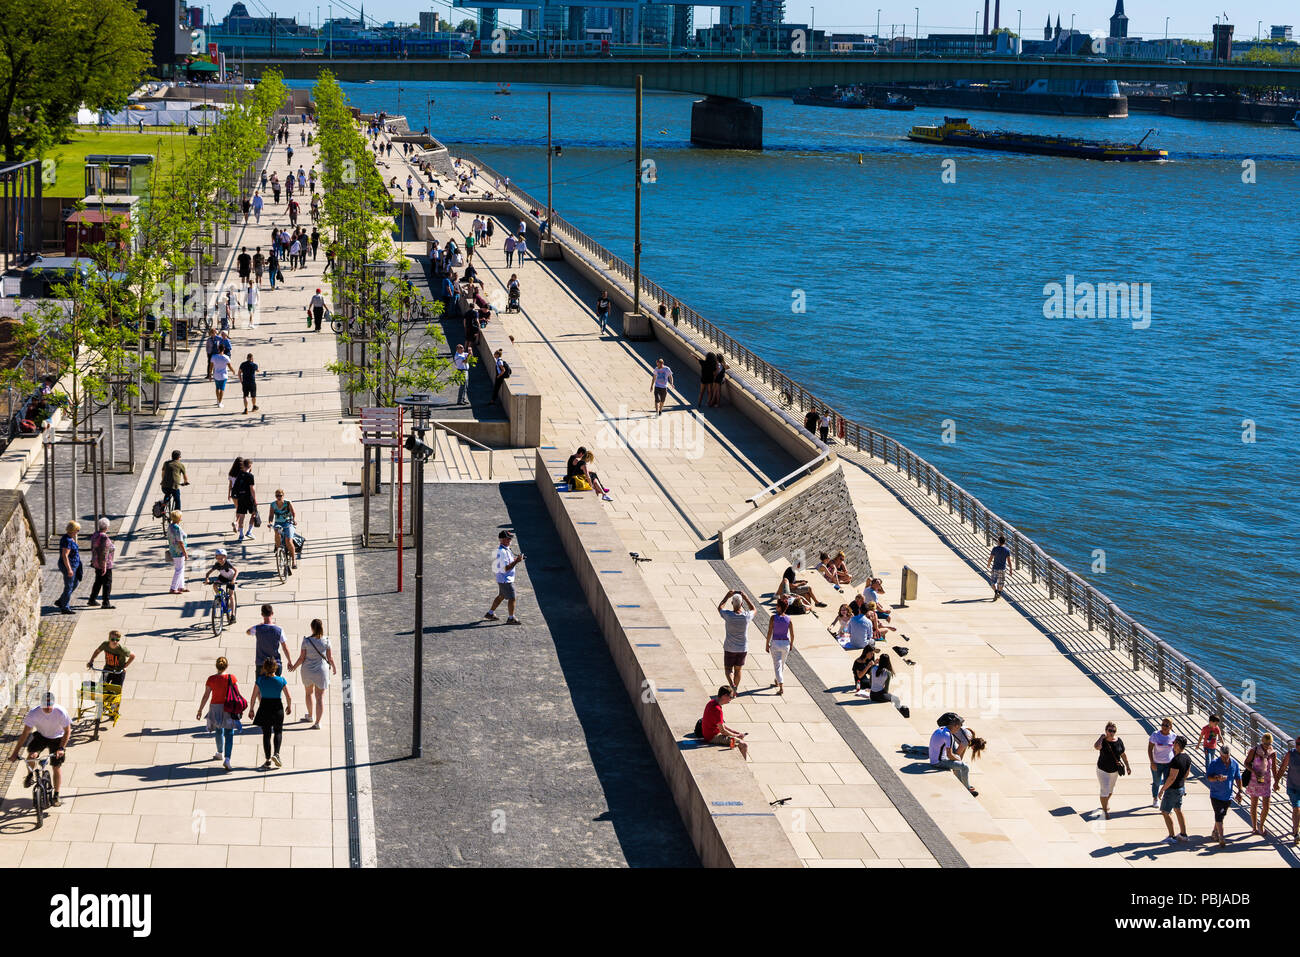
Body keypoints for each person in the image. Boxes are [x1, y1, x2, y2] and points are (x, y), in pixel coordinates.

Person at [7, 692, 72, 807]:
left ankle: (56, 794)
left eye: (49, 705)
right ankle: (30, 775)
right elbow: (25, 734)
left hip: (58, 738)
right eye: (45, 705)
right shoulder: (34, 713)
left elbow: (67, 731)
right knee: (31, 756)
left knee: (56, 767)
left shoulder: (61, 712)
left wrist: (62, 748)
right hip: (42, 736)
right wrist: (15, 753)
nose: (47, 708)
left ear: (53, 703)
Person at [289, 618, 336, 729]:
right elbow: (330, 658)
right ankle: (318, 723)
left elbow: (301, 658)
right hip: (321, 672)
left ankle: (310, 716)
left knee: (308, 693)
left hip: (307, 671)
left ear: (312, 628)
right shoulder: (327, 641)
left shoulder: (306, 641)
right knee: (319, 698)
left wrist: (294, 667)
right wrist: (334, 667)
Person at [248, 659, 292, 770]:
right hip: (277, 707)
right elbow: (289, 696)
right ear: (275, 668)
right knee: (278, 731)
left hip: (264, 707)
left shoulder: (260, 680)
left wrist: (251, 709)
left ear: (264, 668)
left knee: (266, 734)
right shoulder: (281, 680)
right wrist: (289, 706)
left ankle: (267, 760)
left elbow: (253, 696)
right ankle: (276, 754)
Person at [716, 590, 756, 694]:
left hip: (730, 647)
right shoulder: (746, 616)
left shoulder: (728, 615)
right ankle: (735, 689)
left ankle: (731, 684)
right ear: (741, 604)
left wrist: (727, 595)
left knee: (728, 669)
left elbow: (720, 608)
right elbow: (754, 609)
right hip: (742, 648)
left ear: (732, 603)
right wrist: (746, 597)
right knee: (738, 670)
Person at [1156, 735, 1193, 844]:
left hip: (1172, 790)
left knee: (1165, 812)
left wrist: (1162, 789)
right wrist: (1182, 782)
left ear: (1177, 745)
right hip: (1181, 788)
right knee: (1178, 810)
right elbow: (1187, 773)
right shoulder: (1187, 757)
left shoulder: (1176, 760)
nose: (1173, 745)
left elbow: (1172, 777)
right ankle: (1183, 834)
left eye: (1174, 743)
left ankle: (1171, 836)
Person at [1205, 744, 1243, 847]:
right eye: (1223, 756)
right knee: (1219, 814)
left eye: (1227, 756)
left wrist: (1240, 791)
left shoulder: (1234, 764)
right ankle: (1221, 837)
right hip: (1216, 795)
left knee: (1221, 815)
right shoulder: (1214, 763)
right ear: (1220, 754)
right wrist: (1217, 778)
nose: (1225, 759)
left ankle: (1215, 831)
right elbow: (1208, 777)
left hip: (1228, 796)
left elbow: (1238, 778)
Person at [930, 714, 978, 796]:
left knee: (958, 762)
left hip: (934, 757)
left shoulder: (940, 729)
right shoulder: (949, 736)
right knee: (964, 766)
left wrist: (957, 758)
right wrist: (958, 759)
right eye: (959, 728)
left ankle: (961, 784)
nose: (958, 730)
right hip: (939, 762)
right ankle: (966, 790)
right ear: (955, 726)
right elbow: (950, 755)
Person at [1243, 732, 1280, 835]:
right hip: (1255, 780)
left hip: (1266, 781)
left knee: (1266, 805)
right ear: (1262, 742)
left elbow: (1274, 769)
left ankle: (1261, 825)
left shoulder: (1273, 753)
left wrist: (1276, 782)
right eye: (1265, 744)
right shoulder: (1254, 751)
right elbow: (1246, 763)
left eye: (1269, 744)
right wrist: (1253, 771)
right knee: (1254, 804)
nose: (1267, 746)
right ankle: (1254, 827)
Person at [1094, 722, 1132, 820]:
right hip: (1102, 770)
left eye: (1113, 731)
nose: (1111, 733)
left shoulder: (1119, 741)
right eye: (1110, 730)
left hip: (1114, 771)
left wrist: (1127, 766)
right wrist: (1101, 737)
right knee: (1104, 789)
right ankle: (1105, 811)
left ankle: (1105, 802)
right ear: (1106, 731)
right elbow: (1096, 747)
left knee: (1110, 790)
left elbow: (1123, 754)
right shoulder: (1103, 741)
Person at [485, 530, 524, 624]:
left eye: (510, 538)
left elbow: (506, 563)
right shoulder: (502, 552)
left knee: (501, 596)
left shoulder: (506, 549)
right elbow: (505, 568)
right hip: (505, 579)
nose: (509, 540)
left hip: (502, 578)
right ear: (501, 539)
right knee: (512, 598)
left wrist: (515, 559)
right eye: (507, 538)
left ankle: (490, 613)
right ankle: (511, 618)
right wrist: (517, 561)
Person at [702, 687, 748, 758]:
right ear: (724, 696)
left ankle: (733, 751)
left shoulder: (712, 702)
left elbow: (721, 725)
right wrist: (735, 736)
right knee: (744, 745)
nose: (731, 699)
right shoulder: (717, 710)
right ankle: (742, 766)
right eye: (731, 697)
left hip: (709, 733)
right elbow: (723, 731)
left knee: (738, 738)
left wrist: (735, 733)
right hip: (713, 737)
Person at [248, 604, 292, 676]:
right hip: (275, 664)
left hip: (261, 664)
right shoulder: (279, 630)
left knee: (260, 686)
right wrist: (289, 661)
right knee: (276, 686)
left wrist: (259, 624)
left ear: (262, 614)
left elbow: (248, 632)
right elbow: (285, 647)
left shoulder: (257, 628)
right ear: (272, 613)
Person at [765, 596, 795, 695]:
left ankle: (781, 685)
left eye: (777, 606)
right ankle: (777, 680)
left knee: (777, 665)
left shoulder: (773, 618)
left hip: (776, 643)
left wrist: (767, 644)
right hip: (785, 643)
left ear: (780, 607)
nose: (776, 607)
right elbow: (792, 634)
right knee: (782, 664)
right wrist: (791, 644)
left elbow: (769, 632)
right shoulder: (789, 619)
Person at [86, 517, 116, 609]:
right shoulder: (104, 537)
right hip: (105, 564)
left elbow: (93, 548)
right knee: (107, 583)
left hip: (96, 562)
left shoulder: (95, 534)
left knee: (98, 582)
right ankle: (105, 603)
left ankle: (92, 599)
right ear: (106, 527)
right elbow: (103, 552)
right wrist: (104, 567)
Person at [1147, 717, 1176, 807]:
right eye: (1162, 724)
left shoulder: (1174, 736)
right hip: (1157, 763)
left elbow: (1176, 750)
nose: (1164, 727)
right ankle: (1155, 798)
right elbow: (1150, 749)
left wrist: (1175, 762)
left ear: (1170, 726)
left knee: (1168, 783)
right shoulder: (1155, 735)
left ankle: (1166, 801)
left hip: (1169, 764)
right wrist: (1152, 762)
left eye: (1166, 725)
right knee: (1157, 782)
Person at [203, 547, 239, 618]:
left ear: (225, 557)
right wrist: (207, 579)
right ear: (216, 558)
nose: (220, 560)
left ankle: (233, 615)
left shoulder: (228, 563)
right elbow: (208, 573)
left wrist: (233, 580)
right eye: (218, 558)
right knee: (214, 585)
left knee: (231, 595)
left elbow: (236, 571)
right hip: (222, 577)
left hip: (230, 579)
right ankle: (219, 597)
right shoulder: (217, 565)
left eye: (222, 558)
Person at [55, 521, 82, 614]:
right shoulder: (67, 540)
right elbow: (65, 555)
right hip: (69, 566)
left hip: (74, 564)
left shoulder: (69, 538)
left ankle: (61, 601)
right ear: (73, 530)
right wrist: (69, 569)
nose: (78, 532)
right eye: (77, 530)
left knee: (75, 582)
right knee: (69, 586)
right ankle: (65, 607)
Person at [268, 489, 298, 572]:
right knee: (277, 533)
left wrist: (294, 520)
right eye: (277, 496)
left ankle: (293, 560)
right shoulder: (273, 505)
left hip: (288, 523)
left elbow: (293, 513)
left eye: (280, 495)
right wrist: (270, 523)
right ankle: (278, 550)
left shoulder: (287, 503)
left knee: (288, 541)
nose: (279, 497)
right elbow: (271, 515)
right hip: (278, 523)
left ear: (283, 496)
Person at [1279, 736, 1300, 844]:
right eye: (1297, 743)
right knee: (1296, 808)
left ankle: (1296, 826)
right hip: (1293, 787)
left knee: (1298, 810)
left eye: (1299, 744)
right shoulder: (1291, 753)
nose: (1297, 746)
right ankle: (1296, 833)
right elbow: (1283, 767)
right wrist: (1277, 781)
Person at [987, 534, 1013, 600]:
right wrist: (1010, 569)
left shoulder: (995, 549)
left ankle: (996, 592)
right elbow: (1009, 561)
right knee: (1001, 582)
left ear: (998, 541)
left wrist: (988, 564)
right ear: (1004, 542)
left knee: (993, 582)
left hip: (995, 568)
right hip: (1002, 569)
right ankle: (999, 593)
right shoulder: (1007, 550)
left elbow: (991, 558)